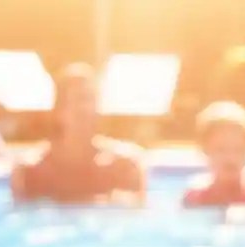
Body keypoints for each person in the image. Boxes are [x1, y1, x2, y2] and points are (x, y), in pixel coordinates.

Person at [11, 63, 146, 205]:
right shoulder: (32, 170)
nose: (86, 108)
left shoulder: (124, 165)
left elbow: (138, 218)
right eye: (78, 100)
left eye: (91, 100)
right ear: (59, 111)